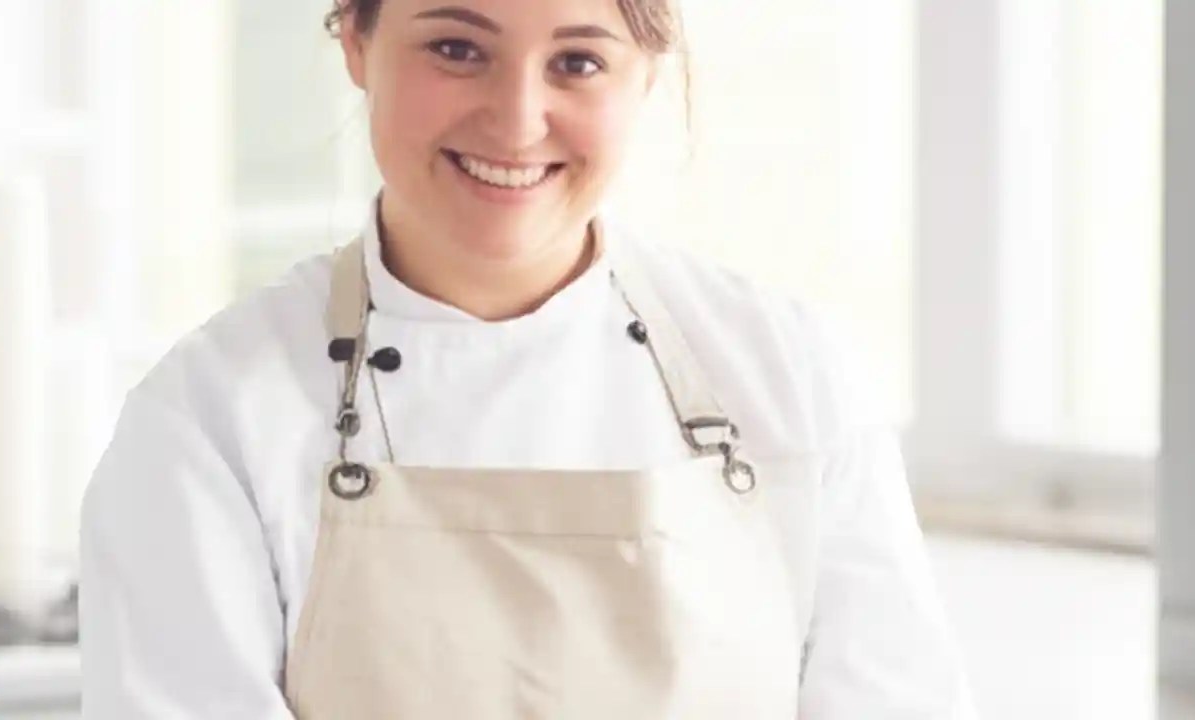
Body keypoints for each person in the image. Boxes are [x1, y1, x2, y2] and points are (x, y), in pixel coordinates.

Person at [78, 0, 976, 717]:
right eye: (457, 49)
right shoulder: (208, 422)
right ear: (356, 38)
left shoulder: (789, 377)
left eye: (577, 62)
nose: (515, 120)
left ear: (647, 76)